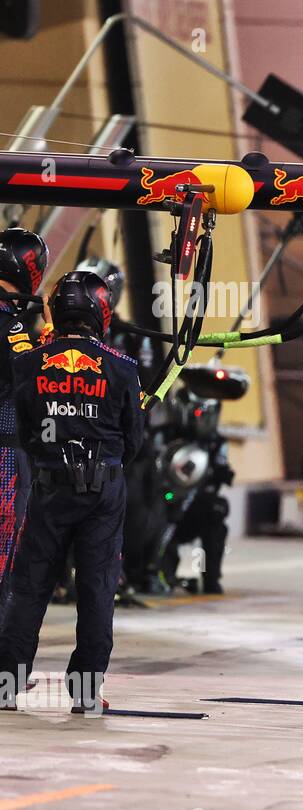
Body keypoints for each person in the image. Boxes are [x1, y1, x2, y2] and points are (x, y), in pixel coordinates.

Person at [0, 271, 144, 714]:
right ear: (101, 312)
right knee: (97, 589)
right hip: (103, 494)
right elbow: (134, 439)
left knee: (30, 588)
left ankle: (5, 685)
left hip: (47, 489)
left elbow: (23, 430)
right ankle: (84, 692)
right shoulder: (122, 368)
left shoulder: (30, 363)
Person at [0, 229, 46, 598]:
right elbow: (32, 383)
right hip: (5, 456)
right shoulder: (12, 324)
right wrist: (51, 334)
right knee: (5, 566)